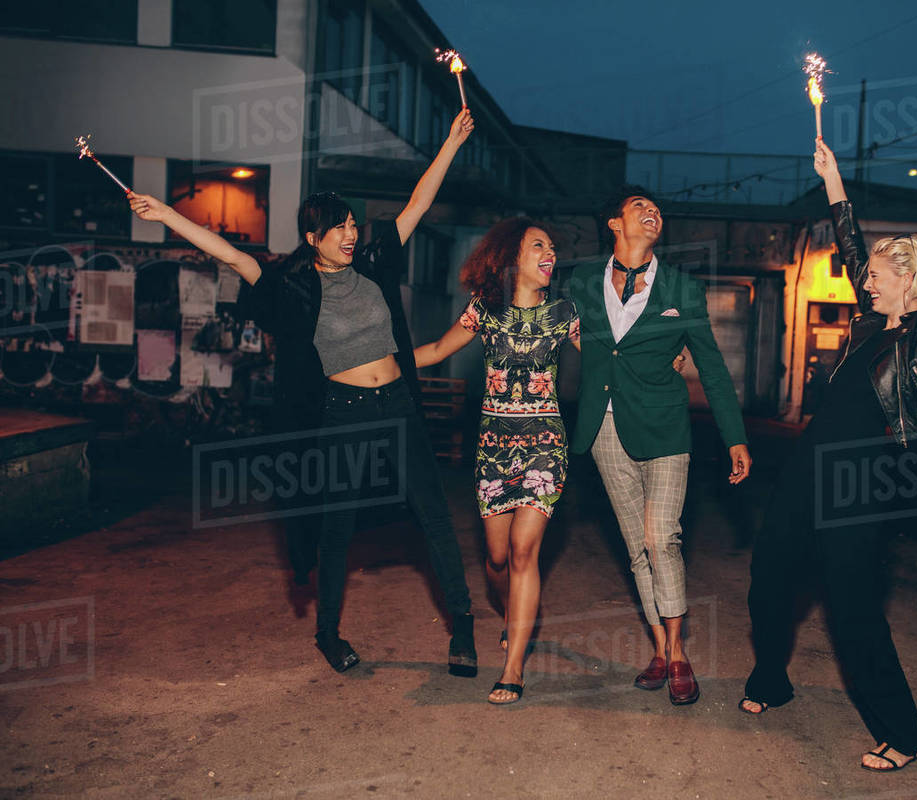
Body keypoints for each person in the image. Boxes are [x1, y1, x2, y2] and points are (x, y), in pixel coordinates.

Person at [129, 110, 480, 677]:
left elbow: (417, 203)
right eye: (337, 228)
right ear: (313, 239)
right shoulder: (292, 285)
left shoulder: (373, 262)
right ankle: (329, 634)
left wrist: (450, 143)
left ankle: (462, 629)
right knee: (334, 526)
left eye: (351, 224)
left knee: (434, 515)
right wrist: (167, 211)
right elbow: (230, 255)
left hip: (398, 407)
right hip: (342, 413)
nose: (350, 234)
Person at [741, 138, 917, 771]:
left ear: (911, 280)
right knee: (769, 575)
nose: (866, 281)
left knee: (851, 607)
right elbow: (852, 248)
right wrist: (834, 183)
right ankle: (772, 679)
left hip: (861, 479)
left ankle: (902, 734)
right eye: (869, 275)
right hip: (806, 467)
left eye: (879, 275)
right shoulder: (872, 326)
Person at [567, 186, 752, 706]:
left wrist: (734, 437)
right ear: (614, 224)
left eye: (657, 211)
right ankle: (663, 647)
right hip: (602, 428)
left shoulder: (683, 290)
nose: (651, 215)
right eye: (638, 209)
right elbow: (569, 333)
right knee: (635, 548)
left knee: (659, 539)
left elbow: (711, 366)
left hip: (667, 429)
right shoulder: (581, 284)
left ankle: (676, 653)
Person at [414, 218, 579, 704]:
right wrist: (382, 358)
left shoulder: (564, 313)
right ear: (511, 258)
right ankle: (515, 614)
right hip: (492, 448)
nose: (550, 253)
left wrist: (662, 358)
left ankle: (513, 668)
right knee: (498, 557)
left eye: (552, 246)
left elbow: (610, 356)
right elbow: (439, 349)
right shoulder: (484, 311)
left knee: (526, 553)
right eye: (538, 246)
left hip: (546, 445)